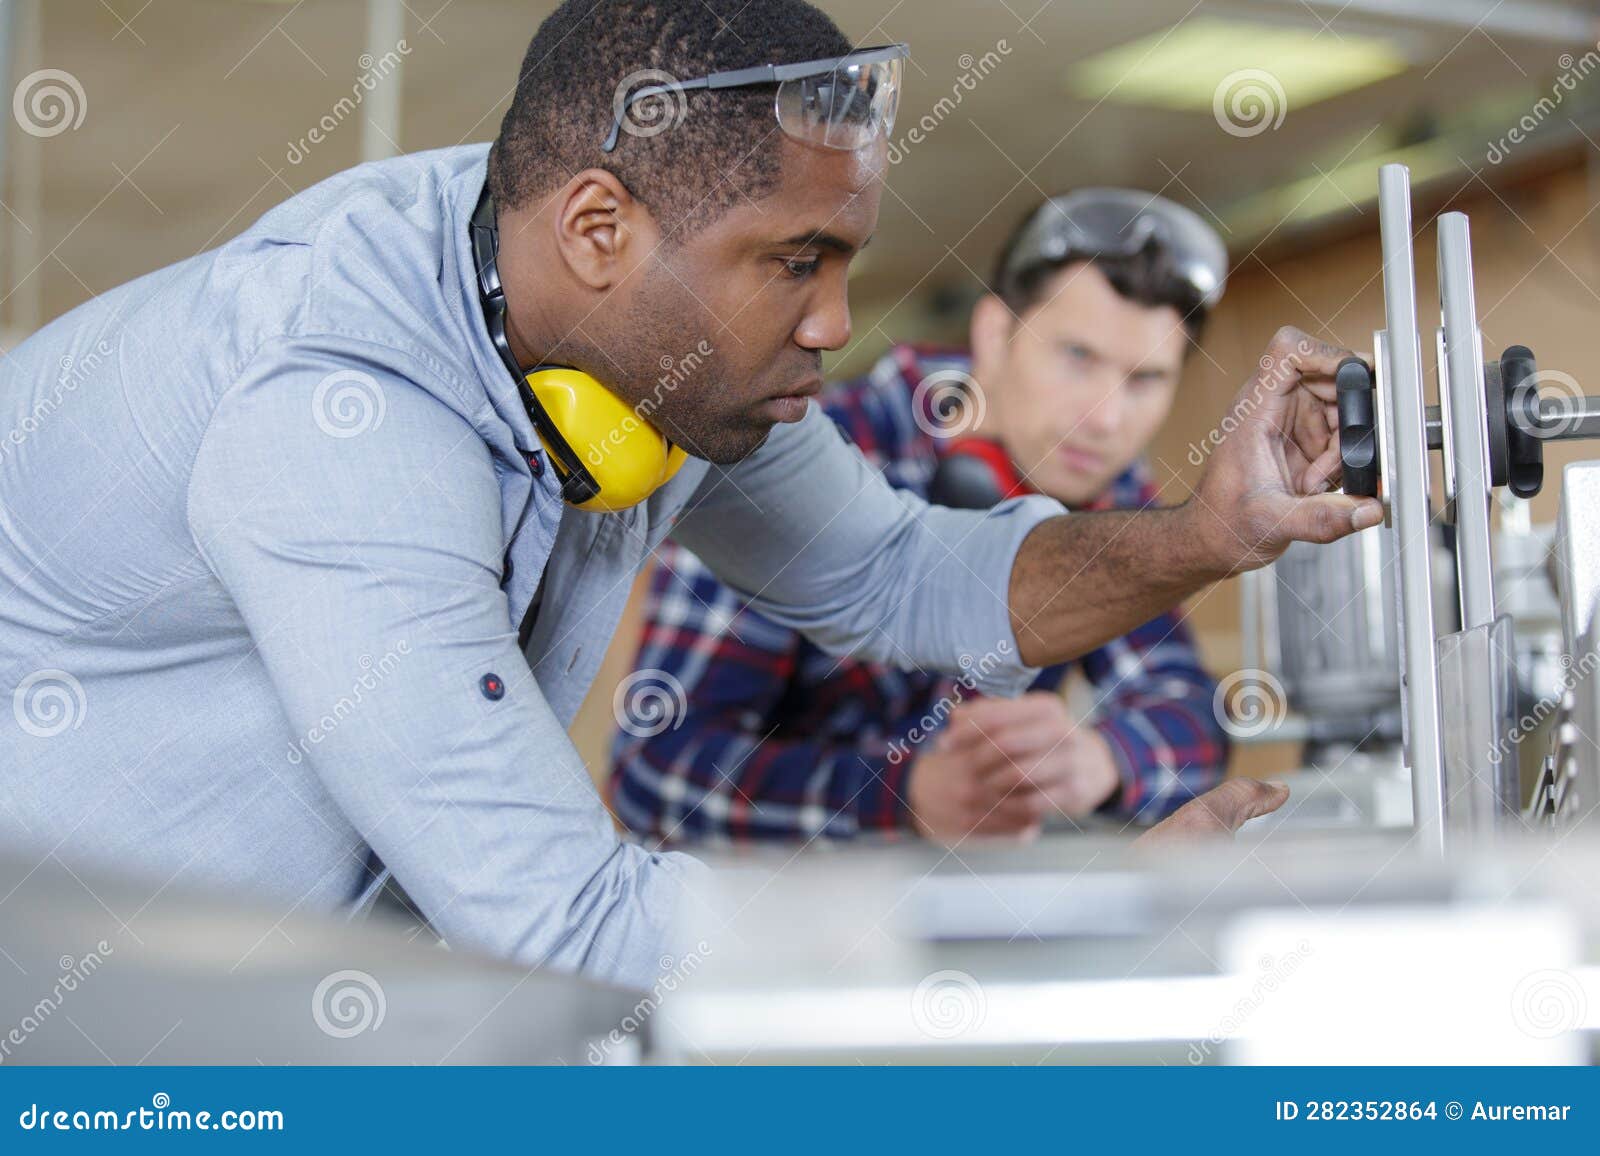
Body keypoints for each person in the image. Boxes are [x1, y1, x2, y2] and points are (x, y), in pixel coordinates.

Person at [0, 0, 1379, 992]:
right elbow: (574, 925)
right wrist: (1089, 924)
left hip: (291, 991)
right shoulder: (334, 420)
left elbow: (903, 574)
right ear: (600, 231)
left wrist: (1210, 533)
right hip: (73, 1017)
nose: (840, 321)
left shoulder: (650, 348)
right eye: (796, 260)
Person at [612, 190, 1232, 845]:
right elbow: (654, 775)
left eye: (1145, 380)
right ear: (996, 334)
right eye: (1077, 357)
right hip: (777, 923)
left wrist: (1104, 761)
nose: (1105, 419)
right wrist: (897, 795)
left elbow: (1189, 711)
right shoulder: (799, 455)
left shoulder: (1108, 481)